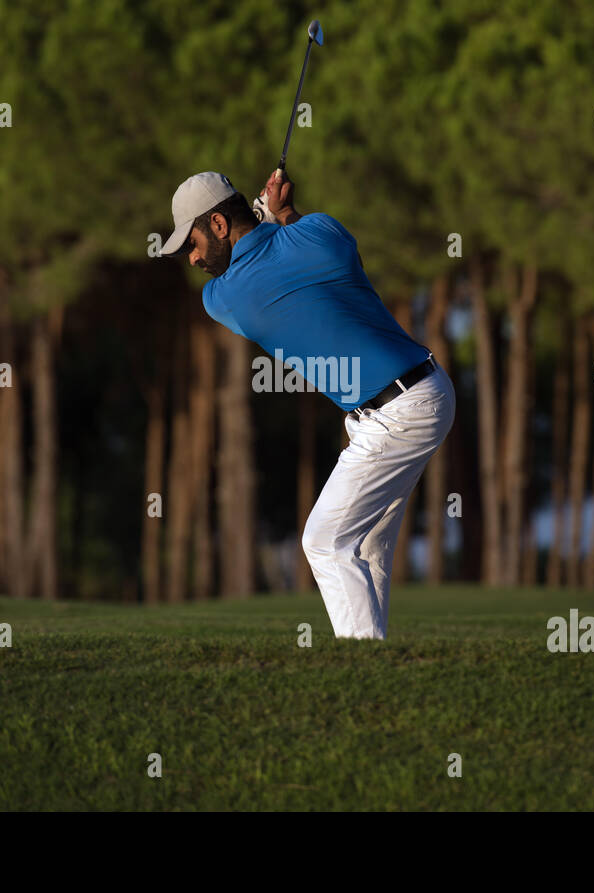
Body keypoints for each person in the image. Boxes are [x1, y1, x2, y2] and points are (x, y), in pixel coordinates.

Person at [161, 169, 454, 639]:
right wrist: (279, 213)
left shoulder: (223, 298)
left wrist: (265, 215)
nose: (192, 258)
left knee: (324, 541)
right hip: (423, 391)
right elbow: (295, 243)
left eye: (191, 243)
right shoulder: (323, 233)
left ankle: (360, 669)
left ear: (218, 225)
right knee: (366, 545)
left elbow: (258, 261)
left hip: (397, 414)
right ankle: (376, 661)